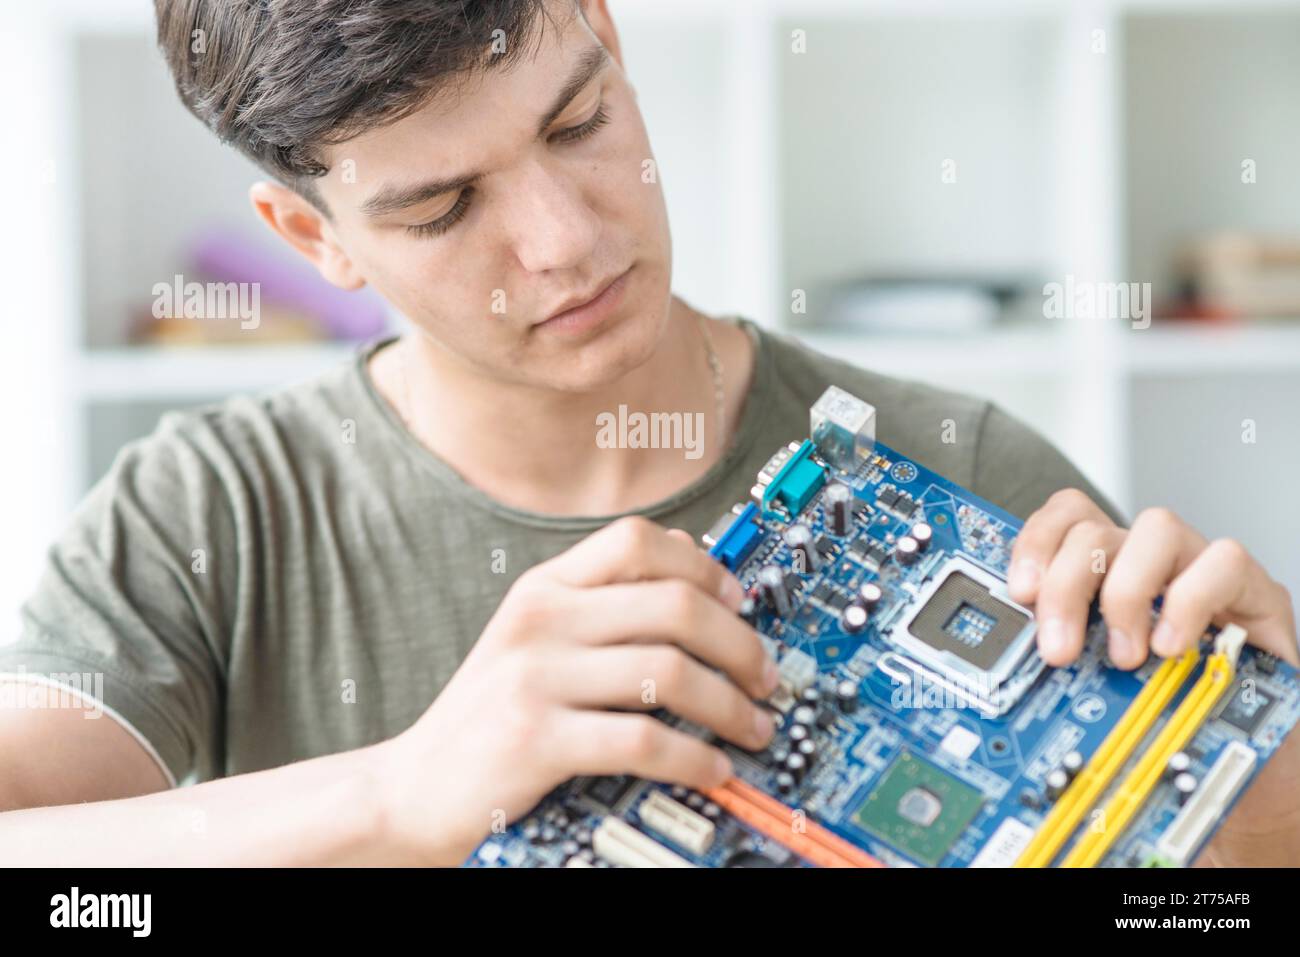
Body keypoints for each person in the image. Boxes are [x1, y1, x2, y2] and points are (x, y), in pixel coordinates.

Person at [1, 0, 1294, 867]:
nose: (565, 241)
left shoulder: (969, 475)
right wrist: (405, 788)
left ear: (609, 33)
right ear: (313, 240)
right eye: (445, 208)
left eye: (579, 122)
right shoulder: (206, 522)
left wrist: (1273, 782)